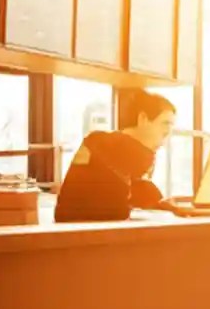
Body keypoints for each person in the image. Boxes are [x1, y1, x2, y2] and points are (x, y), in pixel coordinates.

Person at [54, 89, 176, 222]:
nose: (168, 132)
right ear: (143, 119)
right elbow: (144, 194)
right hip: (79, 234)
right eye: (165, 123)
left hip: (85, 231)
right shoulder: (105, 144)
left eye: (171, 126)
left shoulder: (101, 142)